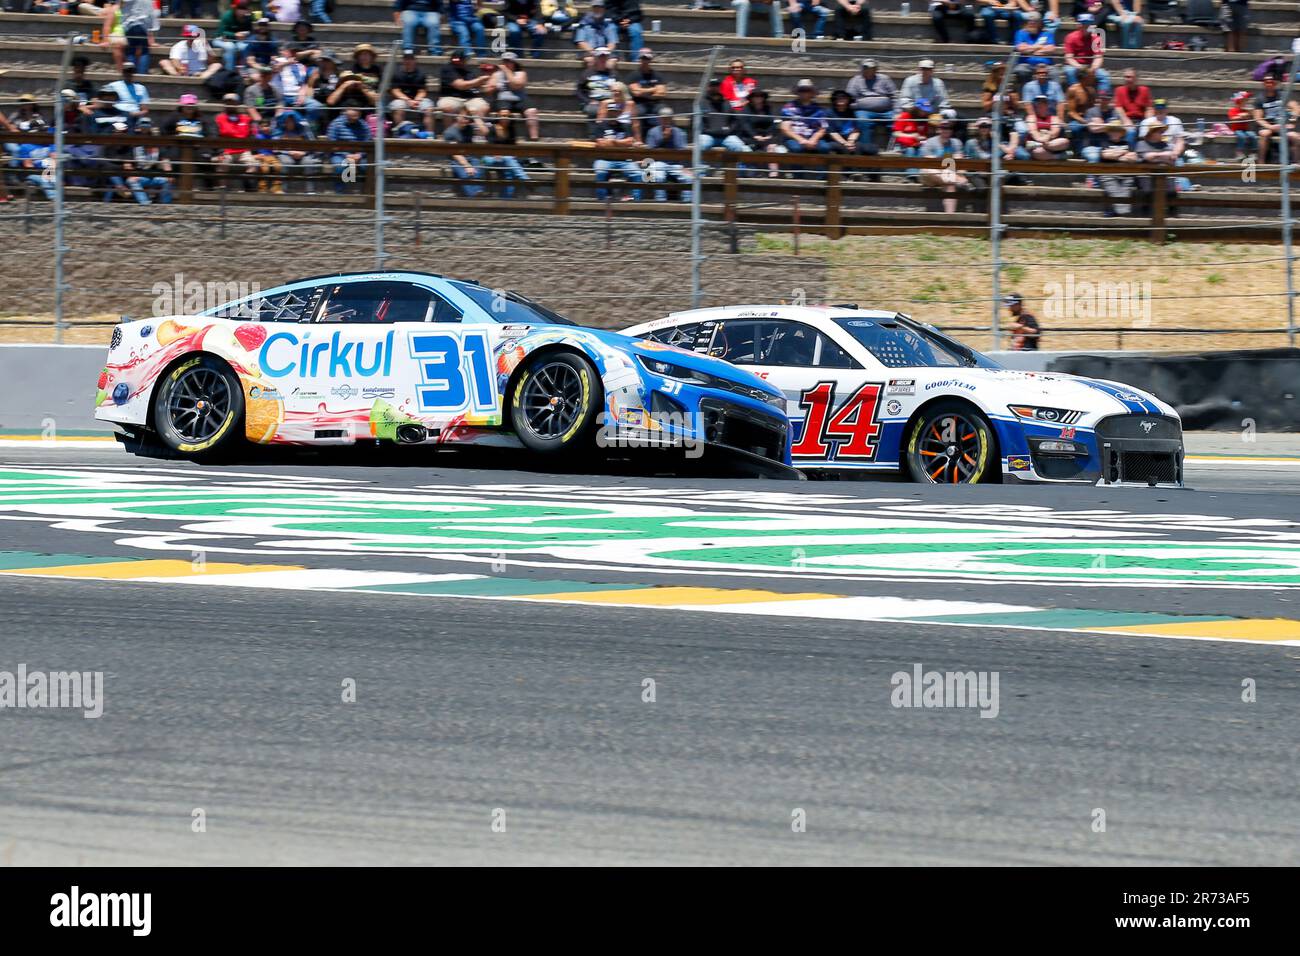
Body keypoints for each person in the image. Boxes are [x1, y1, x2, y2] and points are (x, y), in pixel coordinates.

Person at [486, 52, 542, 143]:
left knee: (532, 111)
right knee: (504, 113)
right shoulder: (496, 74)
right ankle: (503, 137)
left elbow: (516, 85)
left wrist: (507, 71)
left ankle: (534, 139)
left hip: (520, 98)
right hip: (503, 98)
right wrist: (492, 86)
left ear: (514, 62)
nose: (506, 63)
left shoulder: (521, 73)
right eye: (505, 61)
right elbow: (488, 90)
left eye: (509, 61)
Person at [591, 110, 643, 201]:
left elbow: (630, 142)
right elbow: (600, 143)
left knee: (638, 173)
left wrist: (613, 141)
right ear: (607, 113)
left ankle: (637, 200)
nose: (613, 114)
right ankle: (601, 200)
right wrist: (621, 143)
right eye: (611, 112)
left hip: (624, 160)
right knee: (600, 172)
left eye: (615, 112)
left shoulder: (625, 126)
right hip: (604, 159)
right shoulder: (601, 126)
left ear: (618, 113)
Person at [919, 118, 969, 212]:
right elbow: (929, 163)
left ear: (952, 130)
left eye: (948, 128)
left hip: (948, 174)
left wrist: (954, 170)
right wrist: (956, 175)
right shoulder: (930, 142)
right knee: (928, 169)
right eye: (943, 128)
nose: (946, 130)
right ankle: (955, 180)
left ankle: (950, 217)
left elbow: (959, 162)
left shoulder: (956, 143)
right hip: (931, 176)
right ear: (938, 129)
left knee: (950, 184)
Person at [644, 106, 692, 201]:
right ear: (659, 119)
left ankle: (688, 203)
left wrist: (686, 167)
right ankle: (660, 202)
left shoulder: (679, 132)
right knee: (658, 177)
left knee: (689, 178)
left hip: (675, 163)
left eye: (668, 118)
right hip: (657, 162)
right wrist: (664, 138)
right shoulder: (653, 132)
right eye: (663, 118)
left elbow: (682, 151)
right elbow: (650, 151)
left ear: (672, 119)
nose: (665, 121)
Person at [846, 58, 895, 151]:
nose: (869, 70)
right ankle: (866, 149)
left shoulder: (885, 78)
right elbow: (850, 99)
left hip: (886, 110)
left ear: (876, 69)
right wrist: (861, 105)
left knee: (898, 120)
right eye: (866, 68)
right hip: (864, 111)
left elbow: (895, 95)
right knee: (862, 121)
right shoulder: (855, 80)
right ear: (862, 69)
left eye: (872, 68)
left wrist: (897, 111)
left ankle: (893, 148)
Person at [1252, 73, 1299, 163]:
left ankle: (1296, 163)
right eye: (1267, 82)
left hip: (1282, 125)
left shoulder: (1282, 96)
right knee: (1265, 134)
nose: (1269, 84)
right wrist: (1270, 127)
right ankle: (1261, 162)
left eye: (1271, 82)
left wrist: (1293, 119)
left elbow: (1296, 107)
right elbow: (1258, 118)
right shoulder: (1260, 99)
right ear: (1264, 84)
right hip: (1268, 125)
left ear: (1275, 83)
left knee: (1295, 136)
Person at [737, 87, 784, 175]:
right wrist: (755, 136)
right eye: (755, 96)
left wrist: (769, 135)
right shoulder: (746, 109)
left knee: (772, 147)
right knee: (749, 149)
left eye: (760, 96)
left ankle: (773, 174)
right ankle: (751, 174)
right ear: (751, 98)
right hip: (750, 137)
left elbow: (773, 123)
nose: (758, 98)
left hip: (766, 137)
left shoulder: (769, 108)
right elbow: (745, 124)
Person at [214, 92, 258, 187]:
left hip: (244, 151)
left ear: (237, 104)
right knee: (222, 164)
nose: (230, 104)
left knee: (254, 165)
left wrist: (254, 152)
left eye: (232, 102)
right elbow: (215, 135)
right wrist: (220, 151)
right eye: (227, 102)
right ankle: (222, 189)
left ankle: (245, 182)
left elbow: (251, 135)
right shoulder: (219, 118)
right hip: (226, 150)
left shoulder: (246, 118)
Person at [327, 105, 372, 191]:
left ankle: (366, 193)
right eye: (351, 117)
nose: (354, 118)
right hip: (340, 154)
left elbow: (368, 142)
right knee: (341, 167)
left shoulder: (364, 125)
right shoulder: (335, 124)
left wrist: (360, 154)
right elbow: (332, 144)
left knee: (367, 167)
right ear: (345, 112)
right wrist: (347, 155)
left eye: (356, 116)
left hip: (359, 155)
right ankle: (341, 193)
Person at [780, 78, 829, 155]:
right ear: (798, 92)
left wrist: (813, 140)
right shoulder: (788, 107)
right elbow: (785, 129)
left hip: (813, 137)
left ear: (812, 93)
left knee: (825, 148)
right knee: (796, 148)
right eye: (802, 90)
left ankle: (820, 167)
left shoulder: (819, 109)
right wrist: (801, 140)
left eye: (807, 90)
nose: (804, 93)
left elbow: (822, 128)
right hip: (795, 138)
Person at [1062, 13, 1109, 91]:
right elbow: (1069, 57)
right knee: (1069, 71)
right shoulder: (1071, 37)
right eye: (1083, 24)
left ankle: (1102, 98)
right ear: (1079, 25)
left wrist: (1093, 68)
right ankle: (1076, 93)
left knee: (1104, 75)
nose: (1086, 26)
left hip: (1090, 65)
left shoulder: (1096, 38)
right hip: (1076, 66)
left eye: (1088, 24)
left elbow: (1099, 57)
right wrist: (1079, 67)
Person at [1023, 93, 1070, 158]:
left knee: (1065, 142)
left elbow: (1055, 132)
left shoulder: (1054, 118)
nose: (1040, 105)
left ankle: (1039, 145)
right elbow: (1033, 132)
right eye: (1038, 103)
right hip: (1037, 142)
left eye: (1043, 103)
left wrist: (1047, 138)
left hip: (1049, 142)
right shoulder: (1031, 117)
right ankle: (1057, 157)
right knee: (1038, 152)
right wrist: (1041, 139)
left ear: (1047, 105)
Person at [826, 90, 869, 154]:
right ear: (834, 100)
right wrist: (845, 143)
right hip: (835, 141)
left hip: (850, 140)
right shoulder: (829, 113)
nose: (840, 99)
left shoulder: (852, 112)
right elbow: (832, 133)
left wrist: (850, 142)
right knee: (846, 149)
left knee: (870, 149)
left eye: (843, 97)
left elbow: (856, 130)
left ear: (848, 100)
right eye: (837, 97)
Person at [1227, 90, 1256, 162]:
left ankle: (1253, 152)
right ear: (1239, 101)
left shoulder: (1245, 111)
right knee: (1241, 136)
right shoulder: (1232, 110)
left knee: (1253, 135)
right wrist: (1240, 116)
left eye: (1246, 100)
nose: (1246, 102)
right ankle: (1239, 152)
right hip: (1236, 130)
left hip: (1245, 130)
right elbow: (1232, 119)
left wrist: (1248, 115)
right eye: (1245, 100)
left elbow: (1250, 116)